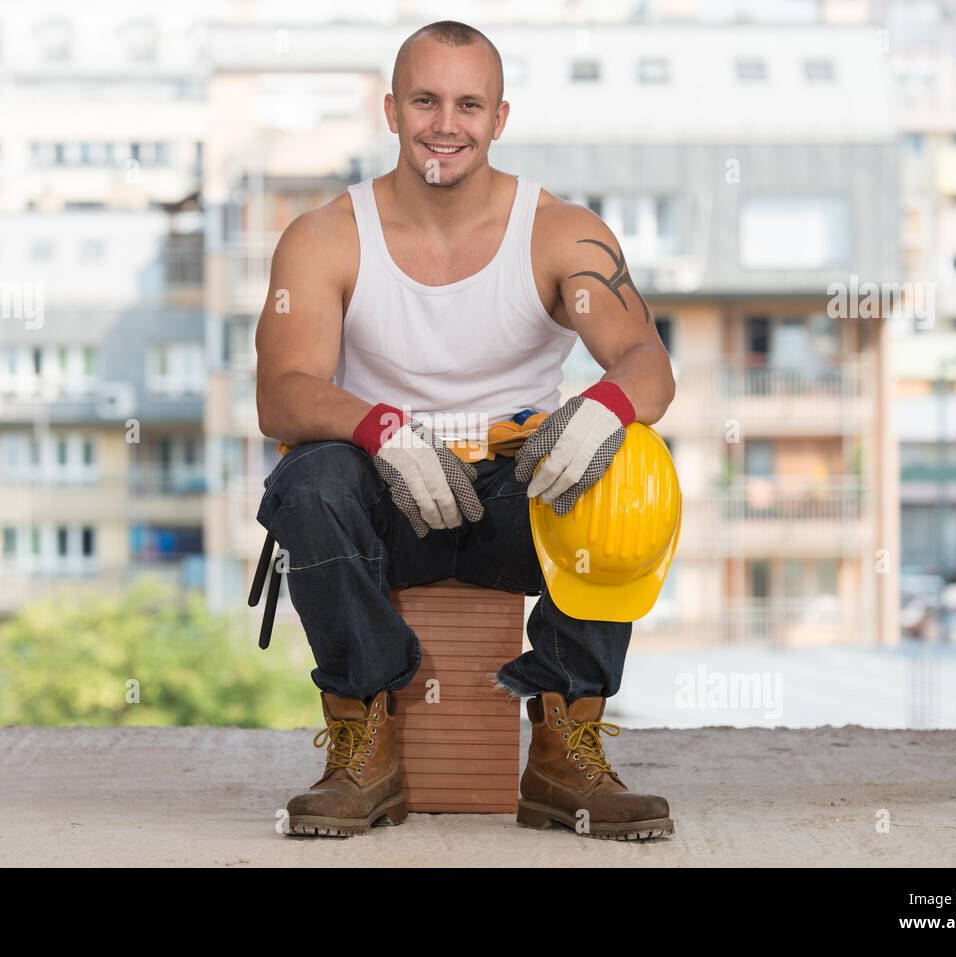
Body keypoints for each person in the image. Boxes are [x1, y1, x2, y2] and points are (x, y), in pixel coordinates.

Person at [253, 20, 676, 840]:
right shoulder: (325, 237)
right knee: (307, 482)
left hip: (521, 493)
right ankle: (363, 743)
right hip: (385, 497)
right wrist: (380, 429)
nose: (446, 123)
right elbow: (283, 395)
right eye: (426, 100)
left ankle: (563, 744)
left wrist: (604, 409)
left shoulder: (560, 232)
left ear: (500, 117)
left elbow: (645, 360)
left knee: (631, 464)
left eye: (468, 104)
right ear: (391, 109)